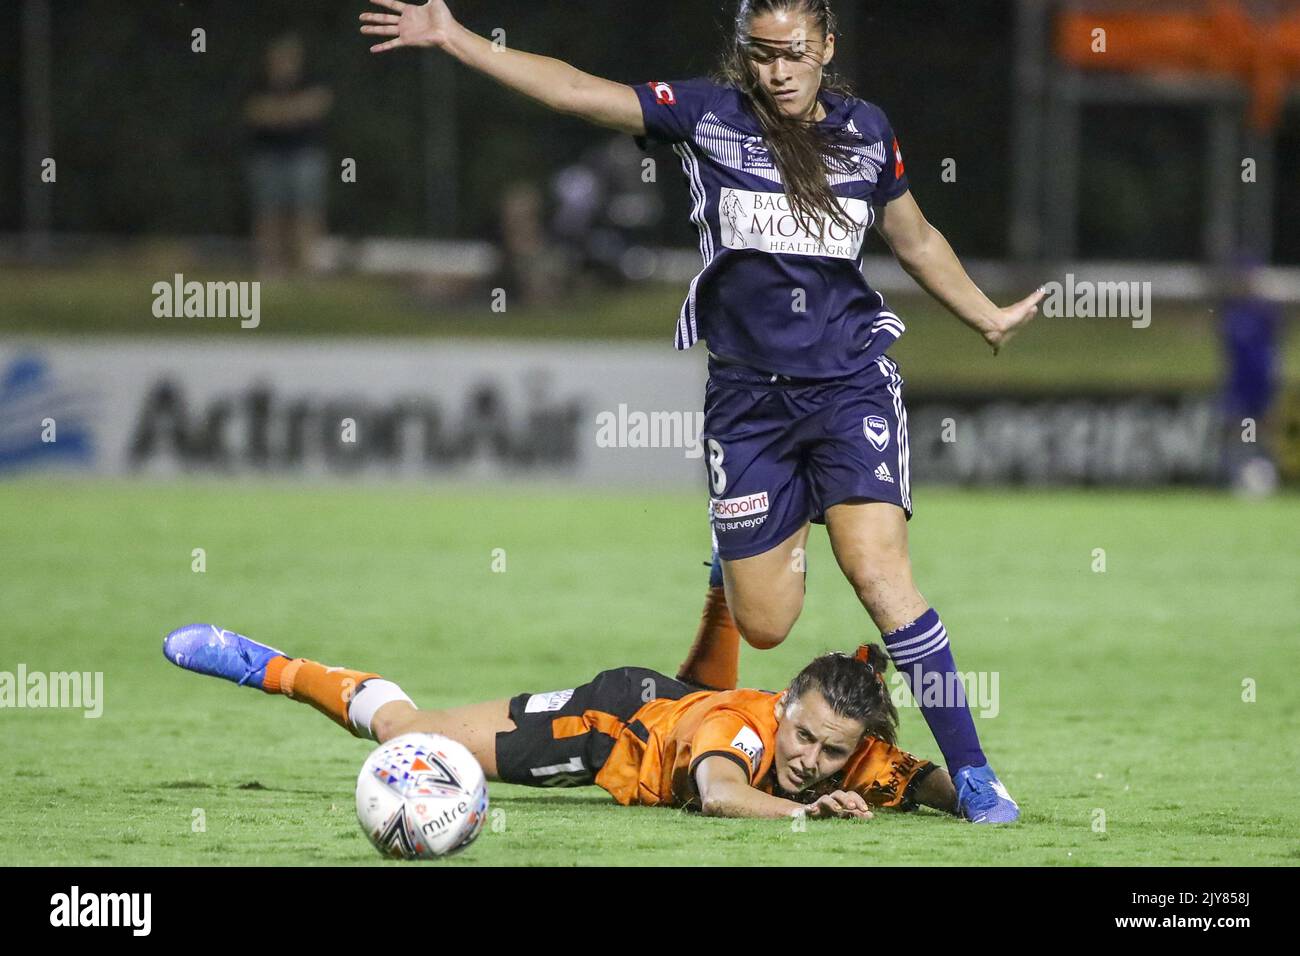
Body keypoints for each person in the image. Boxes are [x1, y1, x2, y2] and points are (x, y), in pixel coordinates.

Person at [357, 0, 1041, 822]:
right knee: (766, 626)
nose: (777, 72)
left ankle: (974, 776)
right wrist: (457, 38)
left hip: (851, 385)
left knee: (881, 576)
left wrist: (986, 314)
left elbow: (916, 235)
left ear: (827, 47)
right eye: (760, 55)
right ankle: (739, 556)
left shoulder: (867, 131)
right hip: (748, 405)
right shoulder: (710, 116)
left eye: (793, 54)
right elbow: (580, 91)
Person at [162, 613, 956, 819]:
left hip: (682, 708)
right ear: (783, 708)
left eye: (830, 753)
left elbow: (924, 784)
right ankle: (271, 666)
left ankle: (721, 582)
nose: (810, 759)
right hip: (614, 720)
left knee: (693, 696)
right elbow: (717, 792)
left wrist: (974, 794)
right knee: (413, 734)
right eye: (804, 734)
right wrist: (803, 814)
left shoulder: (854, 757)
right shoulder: (747, 738)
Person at [244, 32, 333, 276]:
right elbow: (256, 113)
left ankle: (307, 265)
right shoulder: (259, 82)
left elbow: (317, 105)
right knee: (269, 213)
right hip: (268, 157)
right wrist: (294, 111)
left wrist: (278, 113)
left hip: (305, 157)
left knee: (307, 211)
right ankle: (271, 265)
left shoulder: (310, 78)